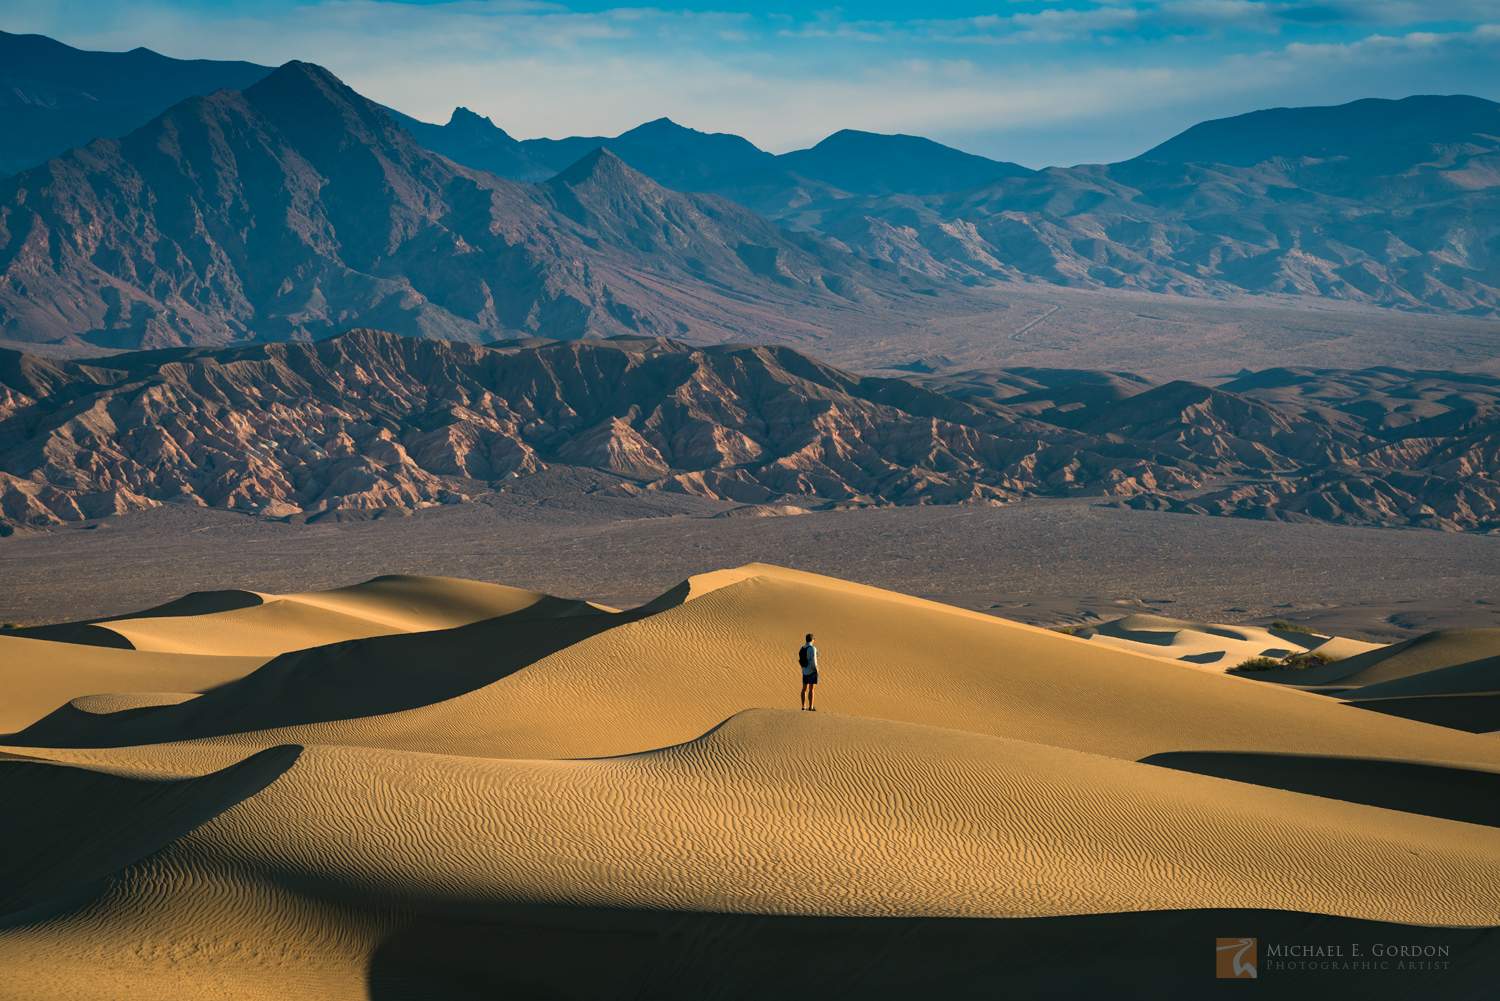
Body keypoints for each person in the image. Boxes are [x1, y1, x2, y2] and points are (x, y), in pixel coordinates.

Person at [799, 633, 818, 711]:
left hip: (804, 671)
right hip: (812, 671)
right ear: (812, 640)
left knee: (804, 689)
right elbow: (814, 660)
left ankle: (803, 706)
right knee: (811, 689)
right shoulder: (813, 648)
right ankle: (811, 707)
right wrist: (816, 669)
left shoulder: (802, 648)